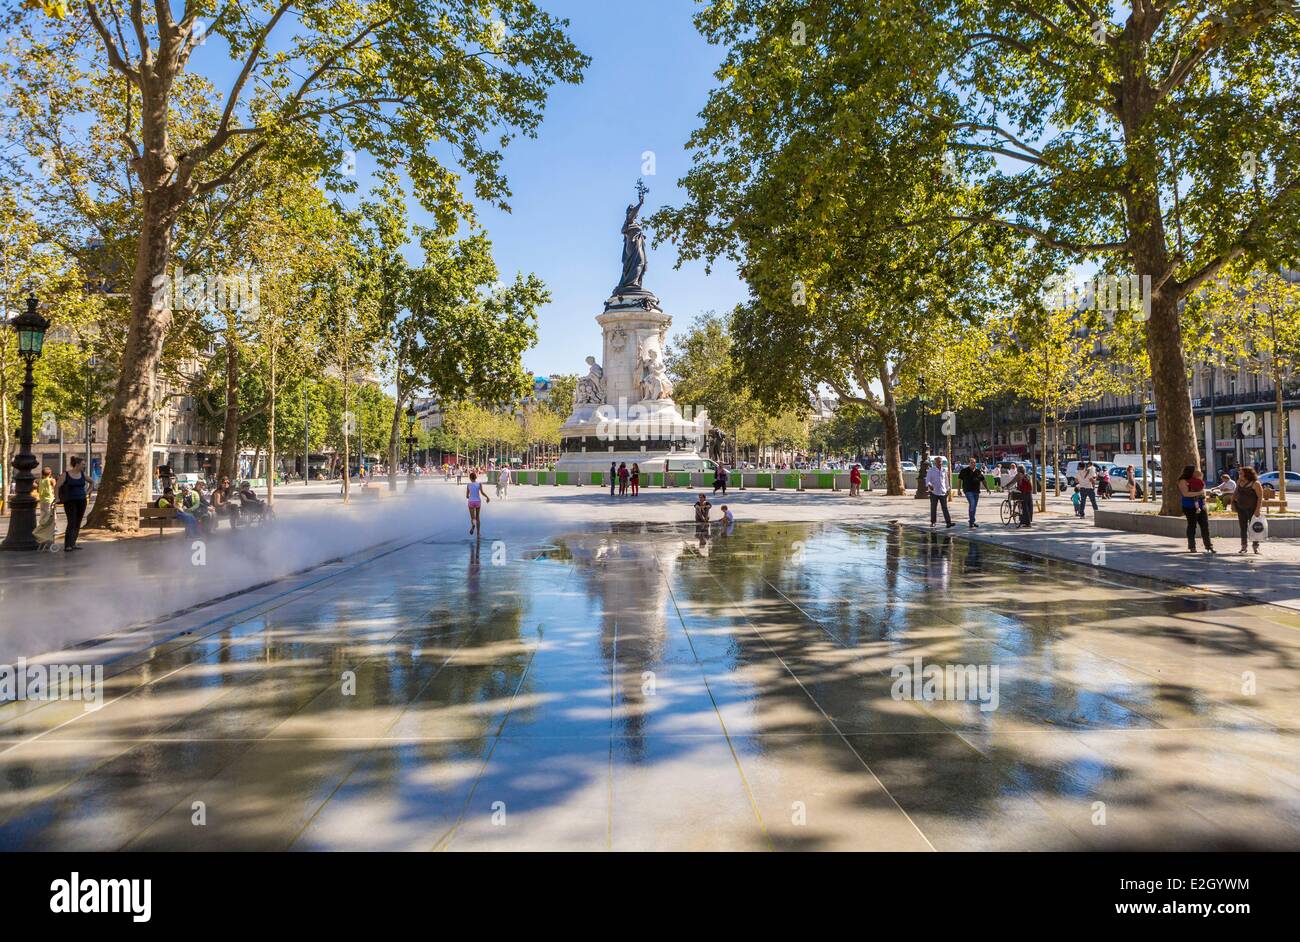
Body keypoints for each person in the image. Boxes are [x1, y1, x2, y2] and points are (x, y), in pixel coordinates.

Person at [55, 456, 91, 552]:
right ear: (77, 464)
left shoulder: (83, 474)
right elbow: (57, 486)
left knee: (78, 522)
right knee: (71, 522)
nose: (84, 466)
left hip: (82, 501)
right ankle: (68, 545)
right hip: (70, 501)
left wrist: (86, 493)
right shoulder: (66, 475)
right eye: (83, 464)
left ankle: (73, 543)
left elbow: (92, 482)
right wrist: (57, 498)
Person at [1177, 464, 1215, 554]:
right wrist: (1199, 493)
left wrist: (1204, 501)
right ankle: (1192, 546)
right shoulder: (1183, 481)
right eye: (1195, 471)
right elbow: (1185, 494)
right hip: (1189, 506)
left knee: (1205, 526)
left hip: (1201, 506)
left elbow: (1203, 492)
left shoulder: (1198, 480)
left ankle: (1209, 545)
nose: (1197, 472)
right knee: (1192, 525)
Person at [1232, 466, 1264, 555]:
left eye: (1241, 473)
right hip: (1241, 508)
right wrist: (1232, 503)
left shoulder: (1255, 483)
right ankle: (1243, 546)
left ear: (1247, 474)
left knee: (1254, 528)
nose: (1239, 474)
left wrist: (1257, 510)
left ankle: (1255, 547)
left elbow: (1260, 497)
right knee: (1243, 528)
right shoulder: (1239, 482)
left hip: (1252, 509)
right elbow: (1235, 493)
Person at [957, 457, 990, 528]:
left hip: (976, 491)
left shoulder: (978, 471)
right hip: (968, 491)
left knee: (974, 507)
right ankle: (971, 521)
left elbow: (983, 480)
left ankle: (972, 522)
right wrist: (958, 490)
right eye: (972, 462)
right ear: (969, 463)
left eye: (974, 462)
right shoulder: (964, 471)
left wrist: (987, 488)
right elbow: (959, 480)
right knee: (972, 504)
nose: (973, 464)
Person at [926, 457, 953, 528]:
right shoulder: (931, 470)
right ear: (935, 463)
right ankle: (933, 522)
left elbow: (946, 481)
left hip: (943, 491)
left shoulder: (944, 470)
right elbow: (927, 480)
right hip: (933, 492)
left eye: (940, 462)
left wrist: (948, 489)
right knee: (933, 507)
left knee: (945, 507)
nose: (939, 463)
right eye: (938, 462)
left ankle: (948, 522)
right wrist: (930, 485)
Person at [466, 470, 489, 535]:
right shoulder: (479, 484)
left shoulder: (468, 485)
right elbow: (482, 492)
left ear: (470, 478)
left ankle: (473, 525)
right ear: (476, 477)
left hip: (471, 501)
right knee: (477, 517)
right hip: (478, 501)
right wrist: (487, 497)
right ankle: (478, 533)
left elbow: (467, 496)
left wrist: (469, 496)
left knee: (472, 518)